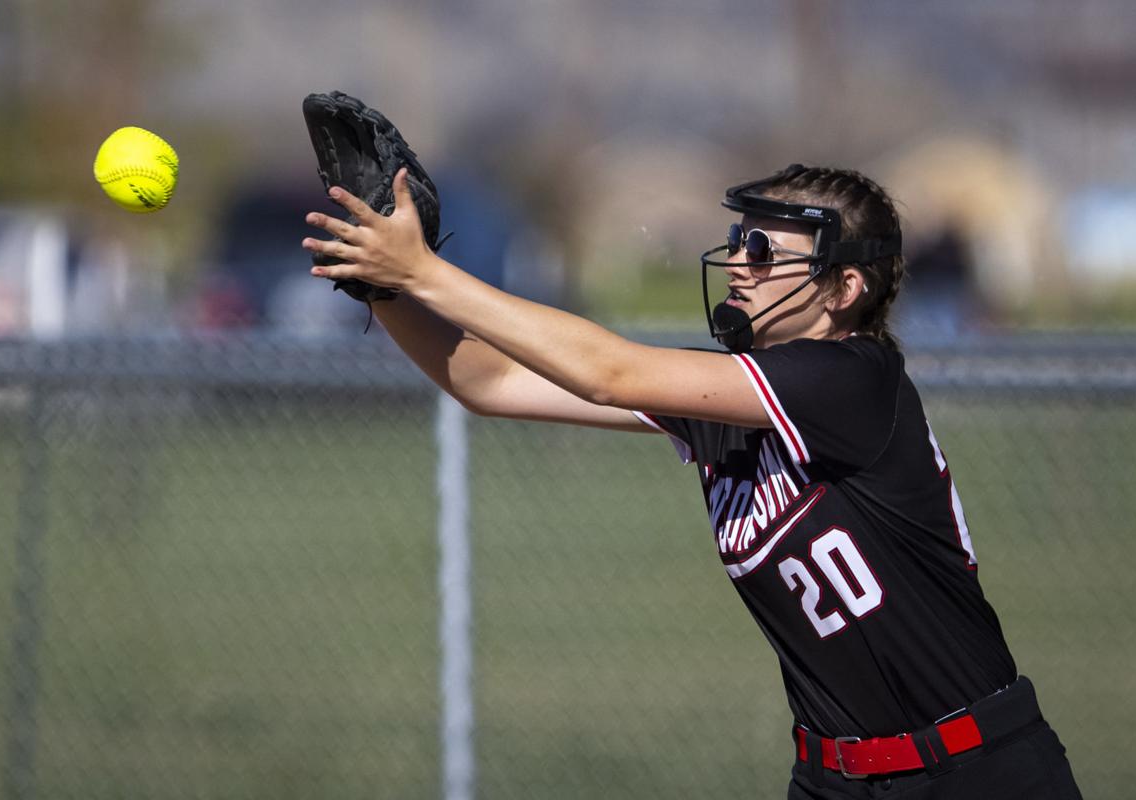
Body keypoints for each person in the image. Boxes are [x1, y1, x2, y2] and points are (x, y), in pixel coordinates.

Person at [302, 164, 1083, 799]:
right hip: (833, 776)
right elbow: (492, 382)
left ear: (843, 291)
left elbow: (610, 372)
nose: (740, 262)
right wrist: (383, 287)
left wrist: (426, 270)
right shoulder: (729, 403)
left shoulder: (853, 381)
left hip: (976, 771)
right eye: (741, 241)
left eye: (765, 252)